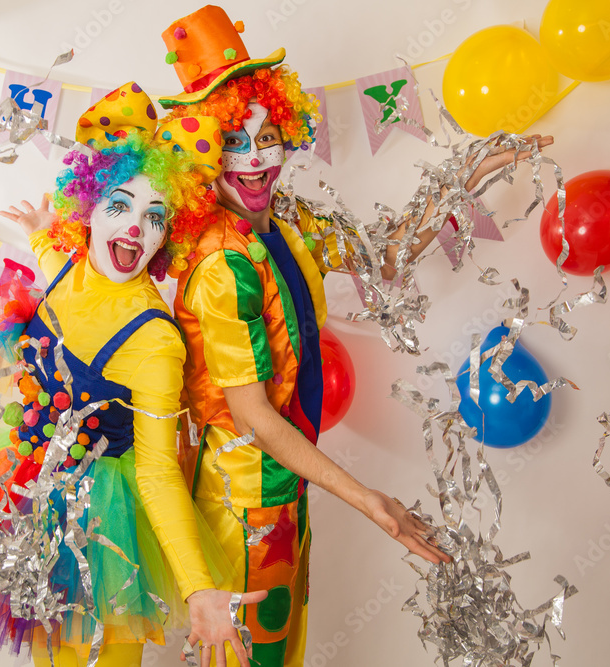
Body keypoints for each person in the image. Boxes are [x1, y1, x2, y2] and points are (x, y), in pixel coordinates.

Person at [156, 6, 553, 666]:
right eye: (233, 144)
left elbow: (384, 256)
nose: (255, 161)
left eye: (267, 137)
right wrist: (372, 499)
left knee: (279, 655)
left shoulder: (278, 223)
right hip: (242, 496)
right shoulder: (224, 265)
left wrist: (469, 176)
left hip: (279, 489)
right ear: (199, 152)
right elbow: (252, 414)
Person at [0, 82, 263, 667]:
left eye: (154, 217)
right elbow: (52, 260)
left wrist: (196, 585)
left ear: (168, 236)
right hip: (29, 492)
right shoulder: (70, 269)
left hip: (101, 531)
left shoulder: (153, 340)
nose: (136, 227)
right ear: (87, 210)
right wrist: (40, 227)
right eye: (119, 206)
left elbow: (159, 471)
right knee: (45, 654)